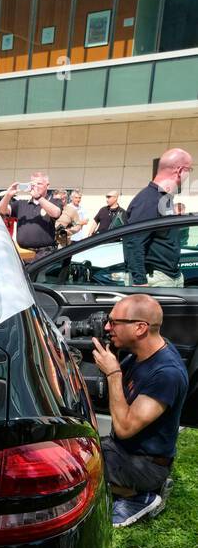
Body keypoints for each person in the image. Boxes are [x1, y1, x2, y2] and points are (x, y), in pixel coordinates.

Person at [92, 295, 189, 527]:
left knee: (72, 473)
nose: (107, 327)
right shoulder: (144, 353)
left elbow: (125, 428)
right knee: (73, 450)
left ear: (140, 328)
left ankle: (139, 495)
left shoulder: (166, 374)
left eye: (114, 322)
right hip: (123, 450)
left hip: (145, 464)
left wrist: (113, 373)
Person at [121, 148, 193, 287]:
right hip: (154, 279)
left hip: (170, 275)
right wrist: (140, 282)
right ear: (179, 171)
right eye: (189, 170)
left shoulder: (164, 198)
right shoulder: (149, 200)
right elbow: (133, 242)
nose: (188, 177)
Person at [0, 173, 62, 261]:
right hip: (23, 253)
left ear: (47, 185)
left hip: (45, 254)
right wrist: (8, 195)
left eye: (39, 184)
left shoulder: (54, 201)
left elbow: (56, 213)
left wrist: (38, 197)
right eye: (32, 184)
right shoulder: (21, 203)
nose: (35, 187)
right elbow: (2, 210)